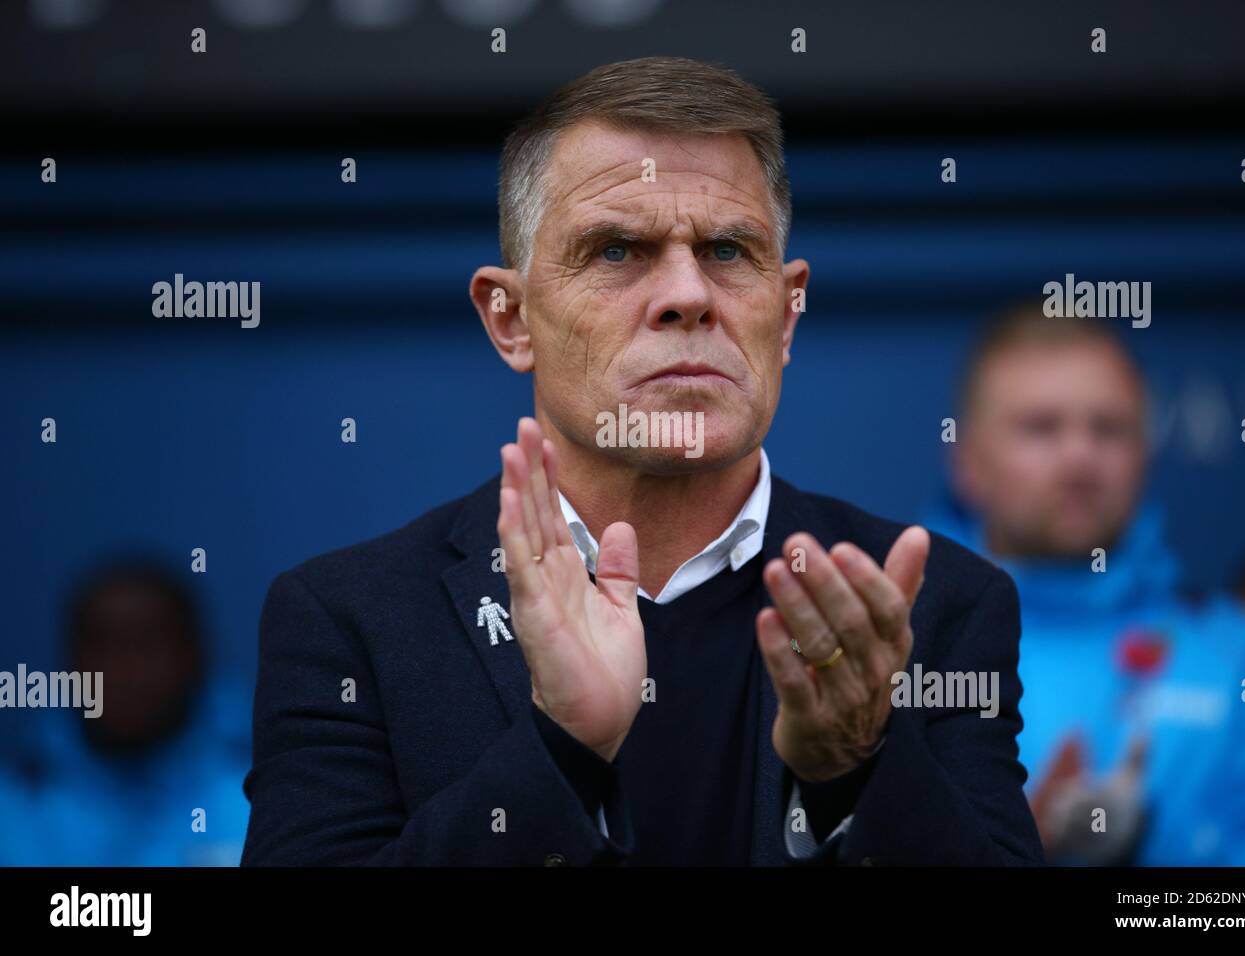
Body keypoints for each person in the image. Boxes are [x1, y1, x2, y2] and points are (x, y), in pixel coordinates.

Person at [240, 56, 1043, 866]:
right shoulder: (350, 619)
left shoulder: (942, 606)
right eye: (618, 250)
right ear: (511, 318)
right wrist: (560, 750)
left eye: (729, 251)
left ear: (788, 311)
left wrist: (856, 769)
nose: (688, 295)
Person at [928, 305, 1245, 865]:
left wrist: (1149, 851)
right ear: (968, 461)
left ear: (1146, 453)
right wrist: (1014, 847)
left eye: (1109, 428)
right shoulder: (892, 642)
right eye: (1041, 427)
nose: (1080, 458)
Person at [0, 560, 250, 866]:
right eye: (101, 645)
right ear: (69, 662)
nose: (124, 671)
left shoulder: (261, 799)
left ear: (195, 657)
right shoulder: (12, 810)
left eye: (148, 644)